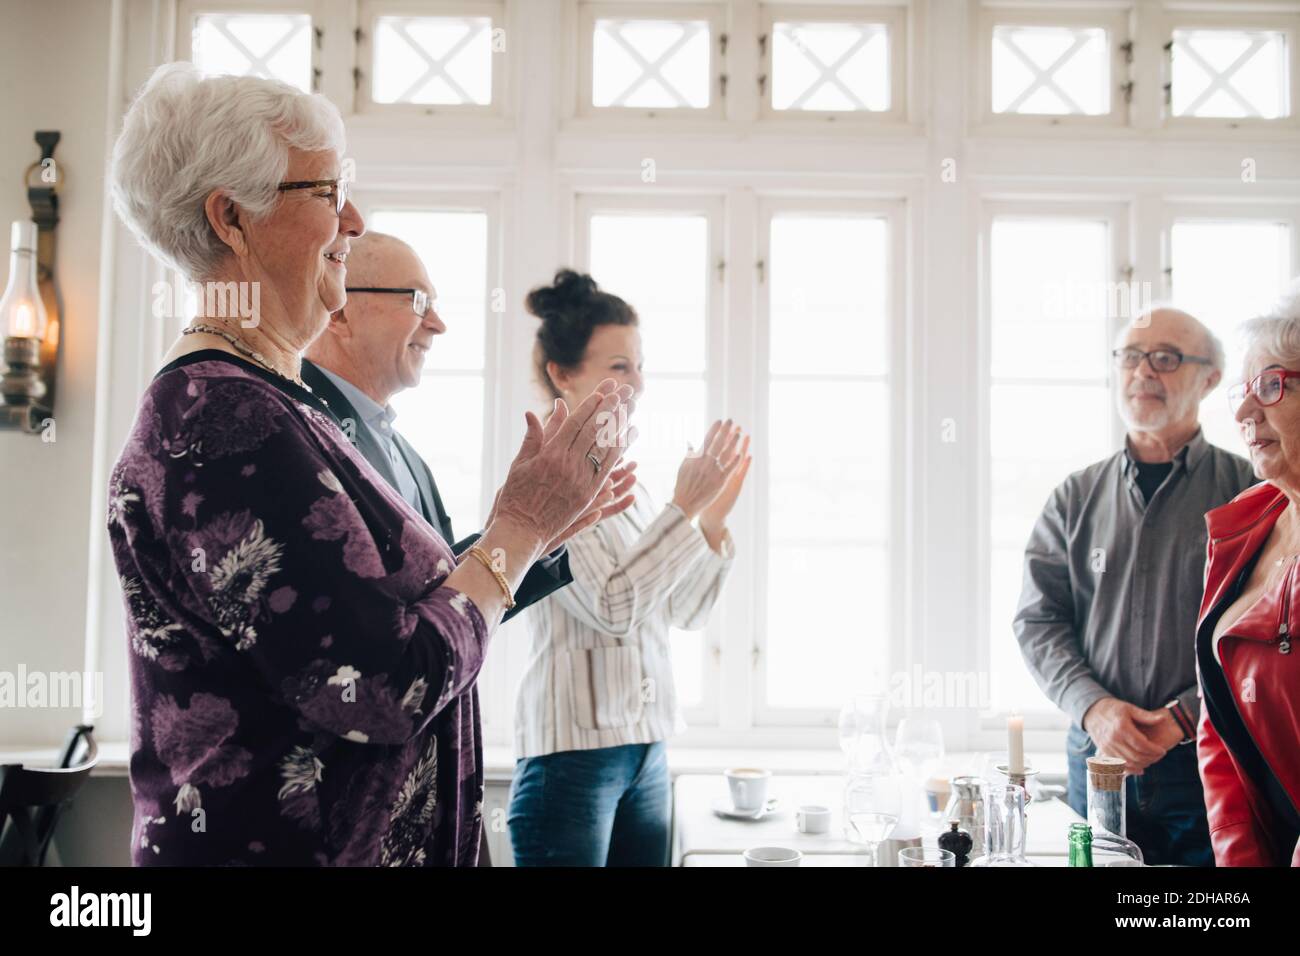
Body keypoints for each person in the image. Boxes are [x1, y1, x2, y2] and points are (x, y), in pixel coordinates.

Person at [106, 63, 634, 865]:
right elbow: (386, 683)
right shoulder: (223, 416)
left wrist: (534, 528)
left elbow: (388, 616)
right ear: (230, 218)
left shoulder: (274, 404)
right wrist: (519, 528)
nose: (352, 219)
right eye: (326, 192)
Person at [300, 232, 634, 866]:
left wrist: (548, 533)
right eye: (418, 299)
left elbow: (451, 597)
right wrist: (523, 523)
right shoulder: (303, 434)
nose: (440, 323)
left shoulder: (404, 453)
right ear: (340, 305)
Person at [508, 270, 752, 866]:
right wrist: (683, 507)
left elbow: (681, 612)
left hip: (647, 747)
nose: (638, 383)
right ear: (562, 375)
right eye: (619, 367)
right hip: (571, 757)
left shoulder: (628, 484)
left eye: (639, 365)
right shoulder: (547, 484)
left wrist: (710, 523)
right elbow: (614, 608)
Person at [1013, 307, 1255, 866]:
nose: (1142, 371)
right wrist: (1095, 709)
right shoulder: (1074, 497)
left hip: (1208, 762)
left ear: (1210, 378)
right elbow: (1037, 620)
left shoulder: (1248, 492)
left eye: (1165, 358)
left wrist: (1184, 717)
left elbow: (1261, 634)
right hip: (1096, 758)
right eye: (1129, 357)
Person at [1196, 285, 1300, 866]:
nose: (1242, 412)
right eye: (1243, 390)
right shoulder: (1240, 531)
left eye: (1270, 385)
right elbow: (1220, 731)